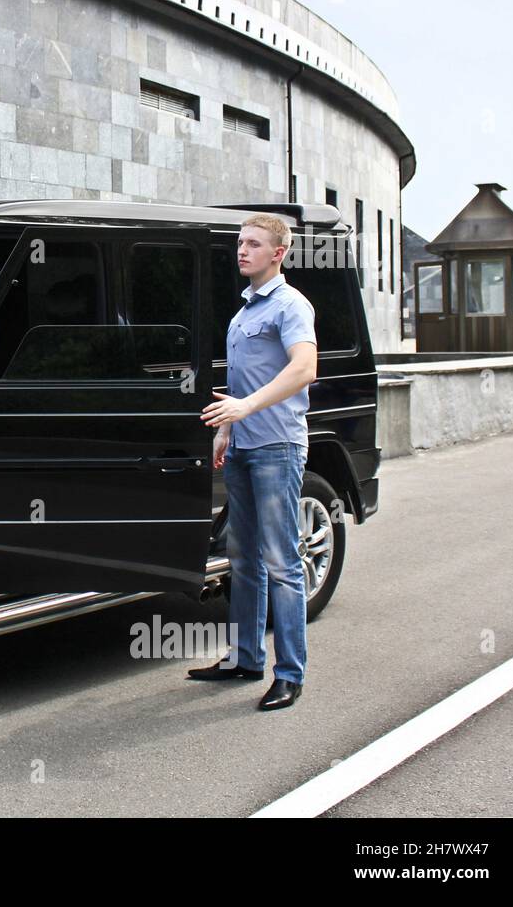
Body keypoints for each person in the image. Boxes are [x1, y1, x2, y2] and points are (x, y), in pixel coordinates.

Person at [188, 214, 318, 710]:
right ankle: (245, 658)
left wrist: (245, 409)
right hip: (242, 447)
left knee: (281, 562)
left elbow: (305, 368)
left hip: (278, 447)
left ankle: (290, 674)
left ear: (278, 253)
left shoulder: (291, 306)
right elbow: (241, 384)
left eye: (254, 244)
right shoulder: (242, 312)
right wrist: (226, 427)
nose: (242, 251)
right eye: (241, 243)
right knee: (242, 559)